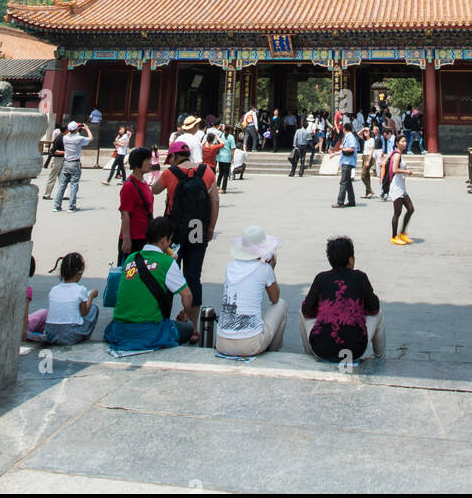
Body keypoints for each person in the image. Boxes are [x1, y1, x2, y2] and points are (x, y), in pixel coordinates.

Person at [151, 139, 219, 343]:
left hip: (173, 233)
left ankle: (164, 321)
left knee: (168, 274)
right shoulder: (206, 171)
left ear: (173, 156)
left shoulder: (169, 173)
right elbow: (215, 201)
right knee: (193, 275)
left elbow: (154, 190)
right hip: (197, 229)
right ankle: (194, 326)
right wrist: (211, 227)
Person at [104, 216, 195, 352]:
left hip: (120, 330)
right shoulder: (166, 262)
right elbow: (187, 295)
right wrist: (186, 313)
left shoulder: (130, 259)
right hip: (148, 331)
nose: (170, 243)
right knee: (187, 328)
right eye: (170, 240)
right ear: (164, 240)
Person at [300, 236, 385, 362]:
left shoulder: (321, 278)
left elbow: (307, 311)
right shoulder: (360, 277)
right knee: (379, 313)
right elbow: (374, 308)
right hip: (354, 351)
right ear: (351, 260)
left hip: (321, 349)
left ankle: (310, 355)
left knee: (302, 313)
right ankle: (379, 357)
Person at [215, 225, 288, 357]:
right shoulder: (264, 269)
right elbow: (275, 298)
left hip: (221, 342)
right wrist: (271, 269)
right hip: (250, 344)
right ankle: (273, 351)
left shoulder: (230, 267)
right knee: (281, 304)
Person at [43, 252, 99, 345]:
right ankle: (82, 337)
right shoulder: (80, 290)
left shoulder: (54, 289)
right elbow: (84, 312)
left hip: (51, 334)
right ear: (79, 271)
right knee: (93, 309)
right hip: (69, 336)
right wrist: (91, 296)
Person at [118, 146, 154, 267]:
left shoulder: (144, 183)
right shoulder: (129, 186)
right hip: (133, 238)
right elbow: (125, 213)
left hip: (145, 236)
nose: (150, 163)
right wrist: (127, 239)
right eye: (147, 160)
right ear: (138, 162)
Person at [52, 120, 92, 213]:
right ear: (76, 129)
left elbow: (72, 132)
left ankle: (57, 205)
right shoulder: (78, 138)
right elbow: (90, 139)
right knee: (74, 185)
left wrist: (76, 129)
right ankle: (71, 206)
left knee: (62, 185)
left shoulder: (65, 138)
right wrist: (87, 129)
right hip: (75, 163)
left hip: (66, 162)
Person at [388, 136, 415, 245]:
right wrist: (406, 171)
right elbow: (394, 169)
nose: (405, 143)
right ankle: (394, 236)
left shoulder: (397, 154)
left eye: (405, 141)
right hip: (396, 187)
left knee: (410, 209)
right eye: (402, 141)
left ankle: (402, 233)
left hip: (401, 186)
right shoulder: (397, 155)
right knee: (397, 212)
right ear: (397, 143)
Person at [333, 119, 358, 208]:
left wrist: (342, 149)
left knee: (343, 182)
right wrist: (335, 154)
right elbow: (345, 150)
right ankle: (352, 200)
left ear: (344, 129)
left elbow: (352, 149)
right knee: (347, 182)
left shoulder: (350, 137)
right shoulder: (349, 137)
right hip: (346, 161)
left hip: (348, 162)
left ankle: (340, 202)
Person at [23, 256, 47, 341]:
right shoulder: (26, 289)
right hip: (20, 327)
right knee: (44, 313)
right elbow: (24, 316)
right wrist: (23, 334)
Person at [42, 121, 67, 202]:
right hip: (57, 159)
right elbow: (53, 150)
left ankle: (63, 194)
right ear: (65, 130)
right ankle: (47, 194)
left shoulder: (64, 138)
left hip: (62, 159)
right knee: (53, 177)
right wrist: (64, 152)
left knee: (63, 177)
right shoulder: (59, 139)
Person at [216, 126, 235, 193]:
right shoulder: (231, 137)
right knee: (226, 174)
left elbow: (216, 143)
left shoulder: (220, 136)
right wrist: (232, 157)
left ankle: (217, 186)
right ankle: (223, 189)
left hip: (220, 156)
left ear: (224, 129)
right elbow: (232, 148)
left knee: (220, 173)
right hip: (227, 157)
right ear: (229, 130)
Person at [360, 127, 376, 198]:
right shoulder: (365, 140)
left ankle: (370, 190)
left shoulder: (372, 140)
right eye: (365, 132)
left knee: (363, 175)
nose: (366, 132)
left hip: (368, 157)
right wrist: (363, 129)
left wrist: (369, 161)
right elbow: (358, 134)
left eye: (367, 131)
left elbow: (372, 151)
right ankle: (368, 193)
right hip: (364, 157)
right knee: (367, 175)